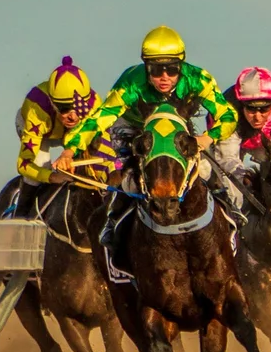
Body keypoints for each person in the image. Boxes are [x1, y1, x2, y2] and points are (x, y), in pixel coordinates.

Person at [52, 26, 238, 244]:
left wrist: (207, 138)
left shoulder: (198, 79)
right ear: (146, 67)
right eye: (156, 70)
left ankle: (229, 212)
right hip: (135, 126)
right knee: (131, 177)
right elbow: (99, 118)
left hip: (176, 127)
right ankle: (113, 219)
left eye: (172, 69)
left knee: (204, 169)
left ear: (182, 65)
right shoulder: (131, 82)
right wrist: (69, 150)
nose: (164, 77)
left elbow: (228, 115)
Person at [10, 56, 116, 219]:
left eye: (79, 107)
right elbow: (24, 164)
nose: (73, 117)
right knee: (41, 164)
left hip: (71, 135)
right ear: (52, 103)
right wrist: (52, 177)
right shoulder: (37, 111)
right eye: (64, 109)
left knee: (95, 151)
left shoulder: (95, 104)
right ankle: (21, 214)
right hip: (41, 131)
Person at [210, 66, 271, 193]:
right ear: (241, 105)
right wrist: (243, 177)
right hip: (227, 143)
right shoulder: (228, 112)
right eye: (251, 109)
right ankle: (233, 211)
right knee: (228, 180)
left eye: (264, 109)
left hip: (266, 142)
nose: (257, 117)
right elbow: (228, 157)